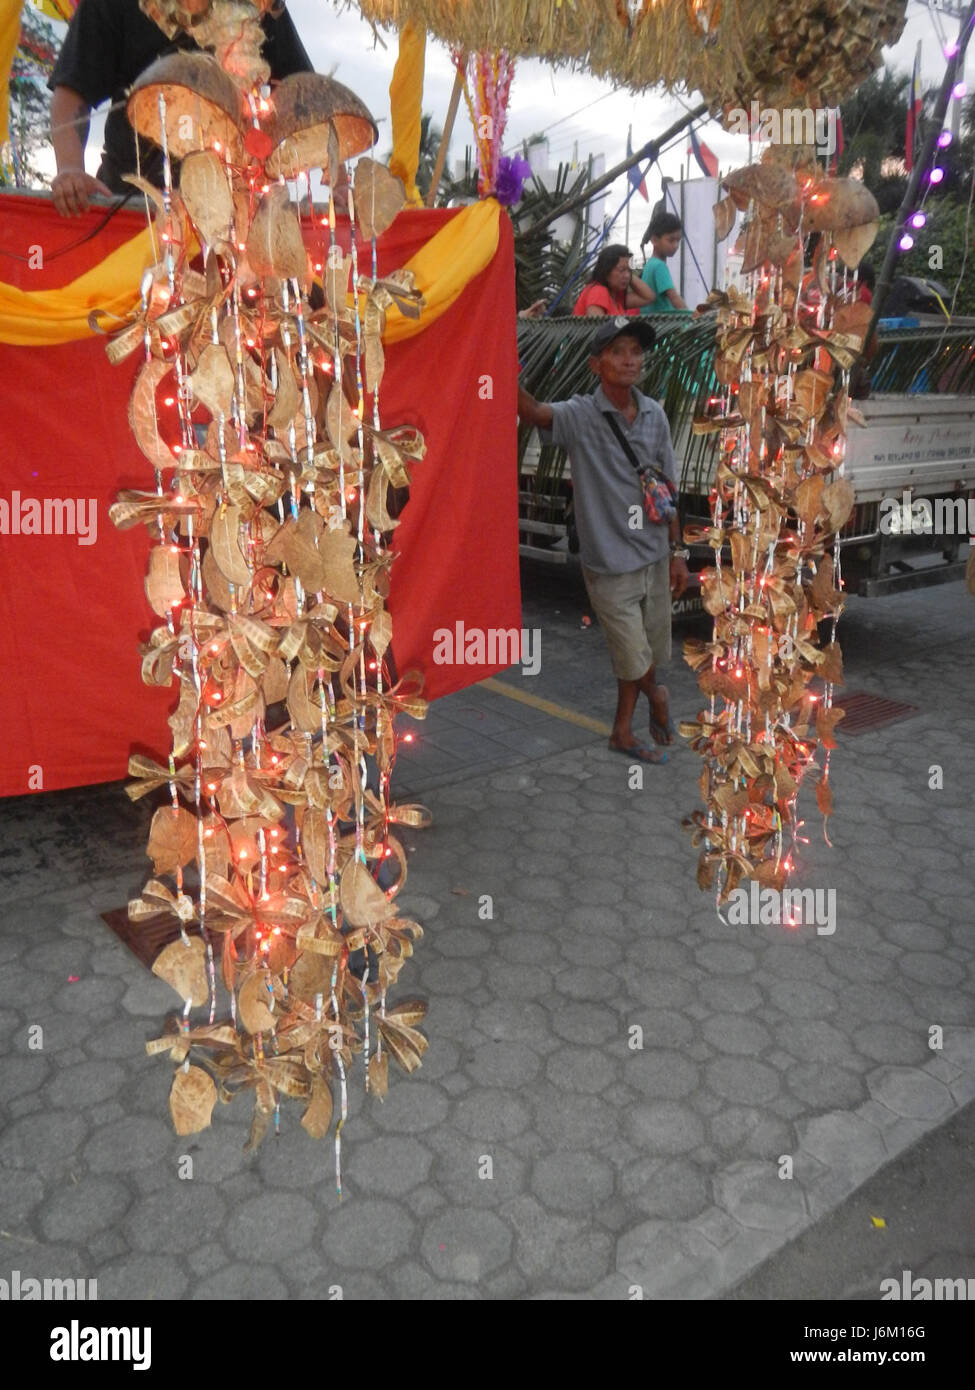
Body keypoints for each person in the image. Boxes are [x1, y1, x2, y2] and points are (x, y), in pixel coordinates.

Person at [517, 316, 689, 764]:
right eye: (619, 351)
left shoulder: (654, 414)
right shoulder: (580, 415)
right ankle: (660, 699)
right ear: (596, 364)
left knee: (643, 651)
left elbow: (668, 489)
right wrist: (500, 372)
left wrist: (678, 553)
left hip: (653, 555)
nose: (631, 360)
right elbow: (534, 412)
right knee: (635, 655)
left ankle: (621, 733)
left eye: (636, 351)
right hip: (608, 564)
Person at [48, 0, 313, 217]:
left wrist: (336, 181)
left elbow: (303, 94)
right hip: (130, 210)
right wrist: (70, 171)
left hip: (235, 215)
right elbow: (72, 93)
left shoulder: (260, 3)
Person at [572, 244, 656, 317]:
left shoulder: (616, 296)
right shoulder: (598, 291)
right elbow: (597, 330)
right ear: (606, 271)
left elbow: (649, 297)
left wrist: (626, 270)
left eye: (629, 271)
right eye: (621, 270)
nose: (627, 276)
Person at [639, 209, 690, 312]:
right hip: (662, 324)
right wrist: (692, 318)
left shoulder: (650, 264)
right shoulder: (659, 266)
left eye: (678, 240)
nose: (676, 245)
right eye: (671, 240)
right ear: (654, 240)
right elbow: (674, 298)